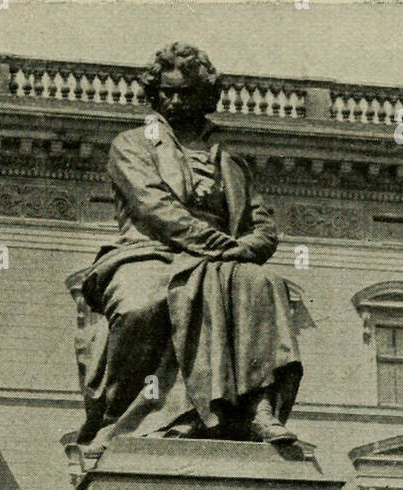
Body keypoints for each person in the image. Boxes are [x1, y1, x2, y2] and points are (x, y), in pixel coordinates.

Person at [75, 42, 303, 449]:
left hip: (222, 259)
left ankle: (258, 408)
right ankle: (115, 413)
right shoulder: (131, 145)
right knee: (142, 304)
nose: (176, 101)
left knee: (265, 284)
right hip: (150, 251)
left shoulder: (231, 161)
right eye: (167, 92)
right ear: (154, 93)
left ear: (205, 96)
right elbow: (155, 209)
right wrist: (221, 246)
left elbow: (262, 225)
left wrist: (245, 249)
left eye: (186, 92)